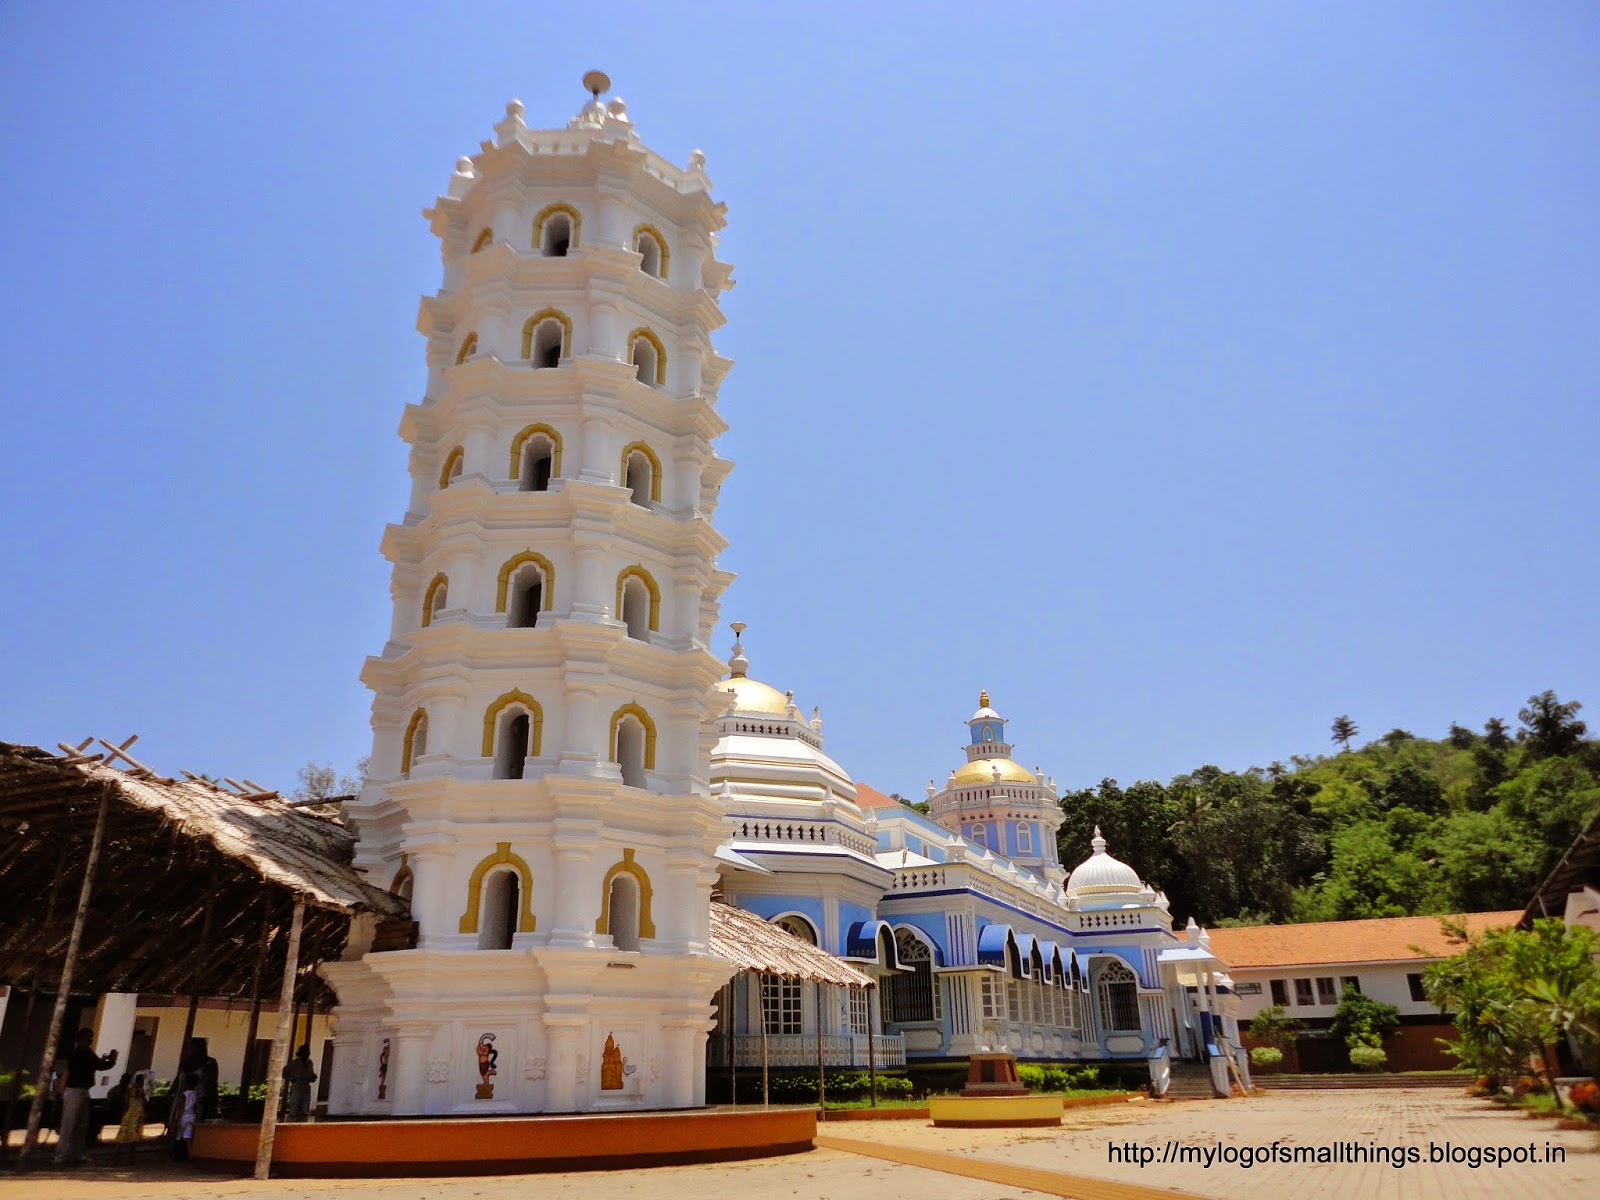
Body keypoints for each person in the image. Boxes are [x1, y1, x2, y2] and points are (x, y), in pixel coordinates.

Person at [54, 1027, 118, 1165]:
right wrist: (111, 1060)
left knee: (81, 1125)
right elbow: (99, 1065)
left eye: (91, 1037)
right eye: (88, 1037)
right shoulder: (81, 1052)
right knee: (70, 1124)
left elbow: (97, 1064)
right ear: (80, 1038)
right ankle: (62, 1155)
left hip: (82, 1090)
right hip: (74, 1090)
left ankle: (75, 1154)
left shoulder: (86, 1053)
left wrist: (106, 1061)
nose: (90, 1039)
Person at [114, 1074, 146, 1158]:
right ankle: (130, 1157)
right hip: (138, 1114)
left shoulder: (130, 1090)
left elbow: (126, 1103)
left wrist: (124, 1113)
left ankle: (117, 1157)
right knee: (134, 1136)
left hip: (130, 1113)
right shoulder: (142, 1091)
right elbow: (143, 1102)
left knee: (123, 1135)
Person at [283, 1045, 317, 1121]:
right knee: (295, 1106)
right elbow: (284, 1072)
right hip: (297, 1086)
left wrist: (313, 1077)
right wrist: (291, 1079)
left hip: (306, 1086)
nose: (308, 1054)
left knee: (305, 1107)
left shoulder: (310, 1063)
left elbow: (311, 1074)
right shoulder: (294, 1063)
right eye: (306, 1052)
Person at [169, 1072, 199, 1161]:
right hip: (191, 1116)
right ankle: (190, 1155)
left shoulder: (184, 1095)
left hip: (183, 1116)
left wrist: (177, 1120)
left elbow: (180, 1108)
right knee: (187, 1137)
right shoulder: (194, 1094)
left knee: (177, 1136)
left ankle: (175, 1154)